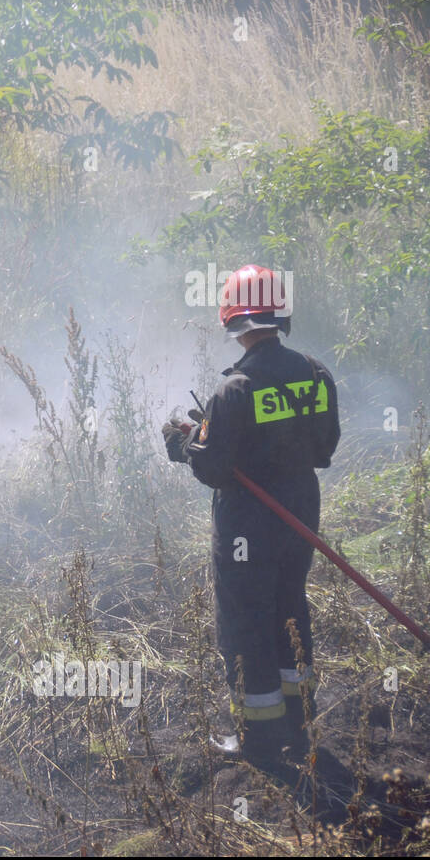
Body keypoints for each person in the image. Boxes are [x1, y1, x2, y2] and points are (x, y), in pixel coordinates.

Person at [163, 266, 340, 766]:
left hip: (247, 523)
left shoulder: (234, 390)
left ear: (232, 320)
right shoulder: (316, 372)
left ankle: (259, 739)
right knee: (290, 605)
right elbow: (324, 448)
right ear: (280, 315)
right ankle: (299, 721)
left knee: (246, 619)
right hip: (300, 509)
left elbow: (216, 469)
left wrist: (187, 442)